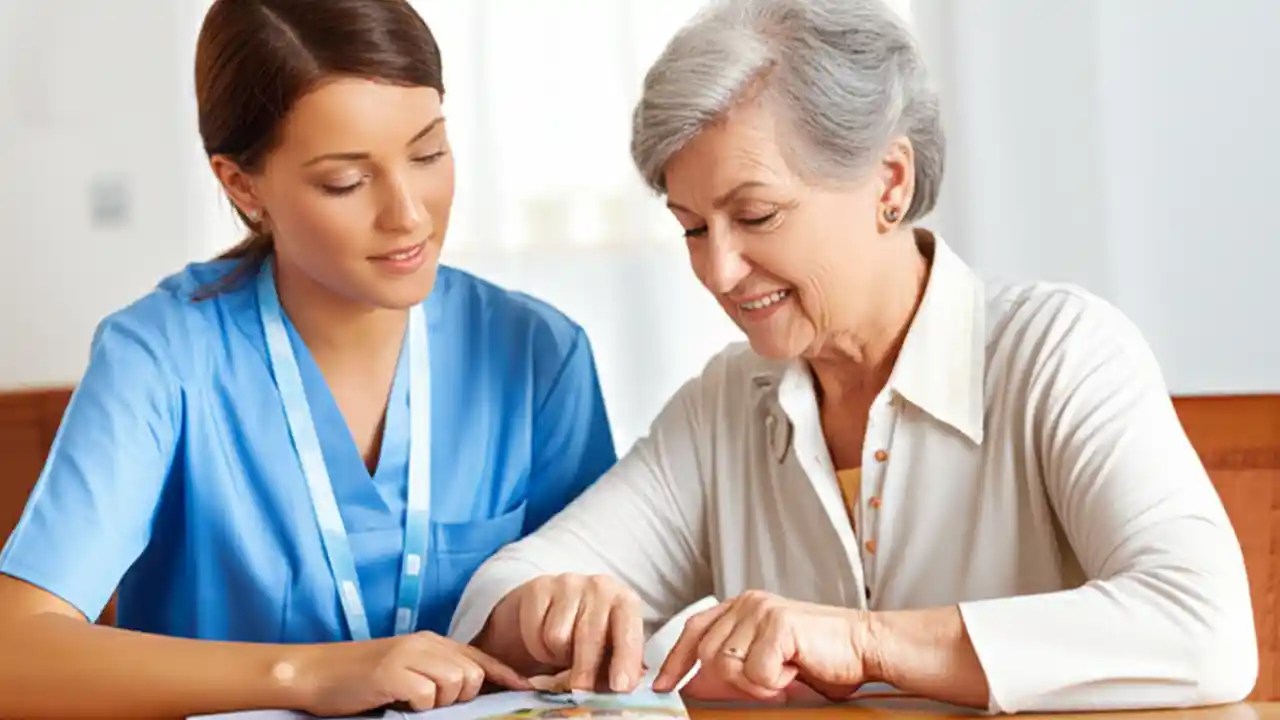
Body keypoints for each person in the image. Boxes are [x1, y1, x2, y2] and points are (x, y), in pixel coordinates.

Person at [450, 0, 1258, 713]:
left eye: (756, 215)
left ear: (890, 183)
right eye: (693, 227)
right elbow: (499, 592)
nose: (717, 271)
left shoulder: (1059, 352)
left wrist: (865, 643)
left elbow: (1204, 627)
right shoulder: (725, 403)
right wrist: (550, 611)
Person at [0, 0, 616, 716]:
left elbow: (591, 632)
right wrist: (314, 676)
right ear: (242, 185)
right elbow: (15, 654)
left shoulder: (538, 354)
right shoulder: (161, 359)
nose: (408, 214)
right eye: (345, 182)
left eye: (427, 154)